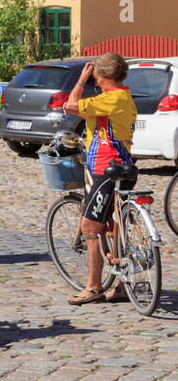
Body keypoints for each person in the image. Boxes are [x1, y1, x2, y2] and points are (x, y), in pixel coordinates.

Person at [66, 52, 137, 306]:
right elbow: (90, 116)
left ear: (103, 76)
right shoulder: (121, 97)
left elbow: (70, 106)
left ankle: (94, 286)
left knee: (90, 227)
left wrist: (80, 81)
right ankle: (121, 284)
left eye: (95, 72)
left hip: (107, 171)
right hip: (124, 165)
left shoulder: (112, 98)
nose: (93, 75)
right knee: (111, 224)